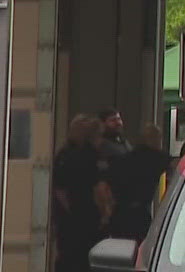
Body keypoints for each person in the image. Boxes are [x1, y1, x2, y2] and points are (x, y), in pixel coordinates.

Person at [51, 115, 113, 272]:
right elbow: (99, 188)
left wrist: (70, 211)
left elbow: (59, 189)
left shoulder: (63, 154)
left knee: (67, 258)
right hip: (87, 217)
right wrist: (105, 213)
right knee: (87, 259)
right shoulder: (91, 155)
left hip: (68, 220)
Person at [106, 124, 174, 242]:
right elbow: (177, 165)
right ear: (155, 139)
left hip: (119, 214)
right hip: (139, 215)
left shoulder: (125, 157)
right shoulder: (156, 157)